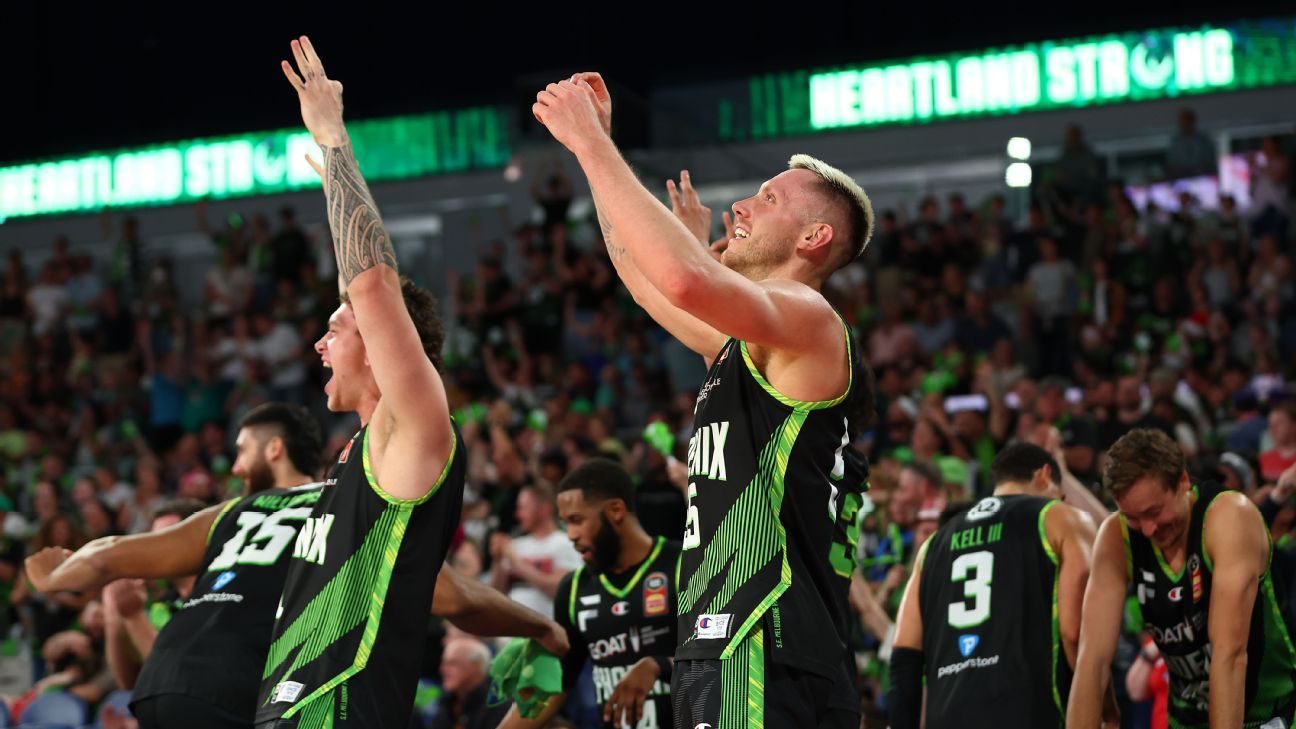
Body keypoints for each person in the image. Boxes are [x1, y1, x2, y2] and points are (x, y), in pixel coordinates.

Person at [533, 72, 873, 727]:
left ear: (812, 240)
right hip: (732, 643)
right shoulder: (744, 347)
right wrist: (595, 145)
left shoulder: (811, 317)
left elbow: (685, 280)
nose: (741, 205)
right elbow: (644, 280)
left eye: (768, 198)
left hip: (764, 637)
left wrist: (591, 147)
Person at [26, 404, 565, 728]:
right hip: (244, 689)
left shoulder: (232, 511)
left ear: (276, 451)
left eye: (243, 451)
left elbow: (116, 551)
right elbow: (452, 596)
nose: (235, 466)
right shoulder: (341, 509)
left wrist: (57, 572)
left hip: (160, 684)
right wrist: (538, 625)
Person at [255, 36, 467, 728]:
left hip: (340, 707)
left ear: (381, 345)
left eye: (335, 327)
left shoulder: (412, 424)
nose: (318, 341)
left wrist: (332, 135)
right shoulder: (363, 455)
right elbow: (448, 593)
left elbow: (372, 283)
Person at [1068, 429, 1296, 728]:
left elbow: (1229, 656)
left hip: (1268, 715)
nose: (1147, 529)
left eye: (1154, 512)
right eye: (1132, 517)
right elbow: (1091, 663)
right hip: (1186, 718)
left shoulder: (1229, 517)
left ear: (1183, 482)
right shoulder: (1115, 536)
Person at [888, 443, 1097, 729]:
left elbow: (904, 656)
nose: (1058, 501)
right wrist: (1102, 709)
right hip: (1027, 711)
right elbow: (1073, 633)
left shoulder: (933, 544)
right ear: (1045, 474)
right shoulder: (1057, 516)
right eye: (1059, 496)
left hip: (947, 716)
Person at [498, 459, 681, 729]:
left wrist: (659, 665)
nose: (570, 535)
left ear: (615, 511)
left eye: (577, 520)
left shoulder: (681, 564)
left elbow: (722, 659)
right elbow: (554, 683)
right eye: (565, 524)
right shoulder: (573, 590)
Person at [429, 637, 509, 729]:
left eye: (452, 663)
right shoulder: (448, 701)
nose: (442, 669)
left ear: (475, 666)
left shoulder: (498, 706)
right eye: (444, 663)